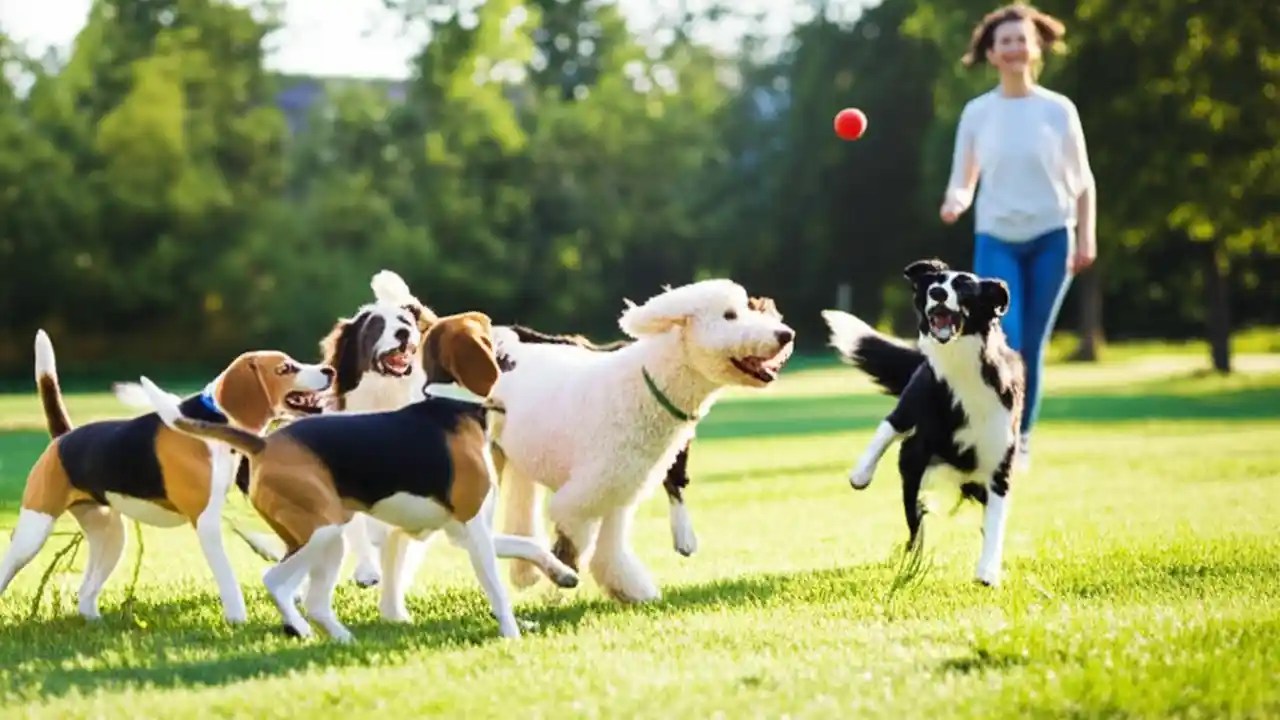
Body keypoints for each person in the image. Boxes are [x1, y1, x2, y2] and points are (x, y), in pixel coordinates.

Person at [940, 3, 1096, 471]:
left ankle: (1020, 438)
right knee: (1004, 339)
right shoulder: (977, 112)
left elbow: (1083, 180)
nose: (1013, 47)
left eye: (1020, 39)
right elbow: (963, 178)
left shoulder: (1057, 110)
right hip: (997, 238)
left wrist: (1086, 237)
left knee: (1032, 345)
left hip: (1052, 235)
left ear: (1035, 47)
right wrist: (956, 201)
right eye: (1003, 41)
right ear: (991, 53)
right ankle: (999, 431)